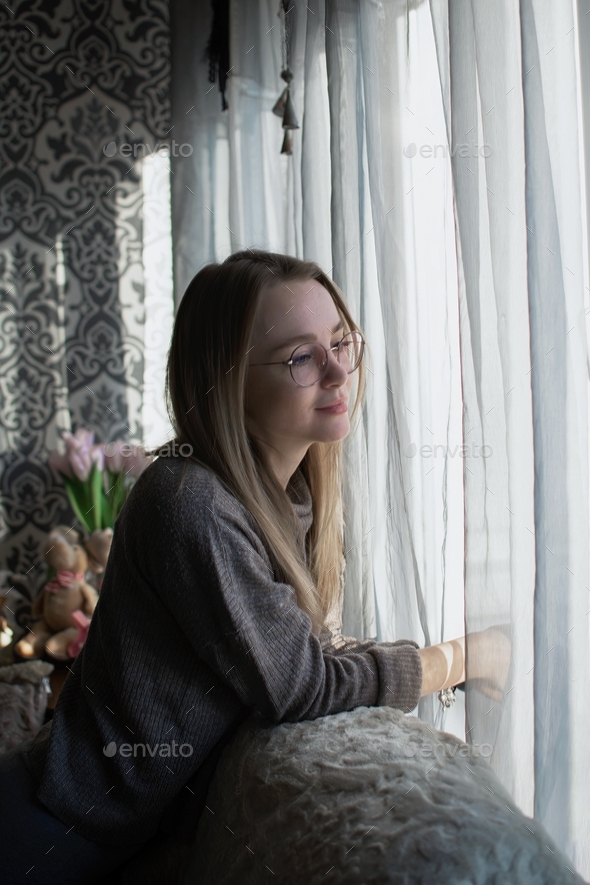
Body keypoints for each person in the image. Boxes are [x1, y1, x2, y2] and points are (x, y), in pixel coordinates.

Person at [0, 249, 508, 884]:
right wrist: (461, 659)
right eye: (300, 357)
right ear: (227, 381)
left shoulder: (283, 501)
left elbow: (293, 657)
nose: (336, 370)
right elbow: (302, 684)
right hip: (44, 831)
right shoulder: (190, 501)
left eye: (340, 341)